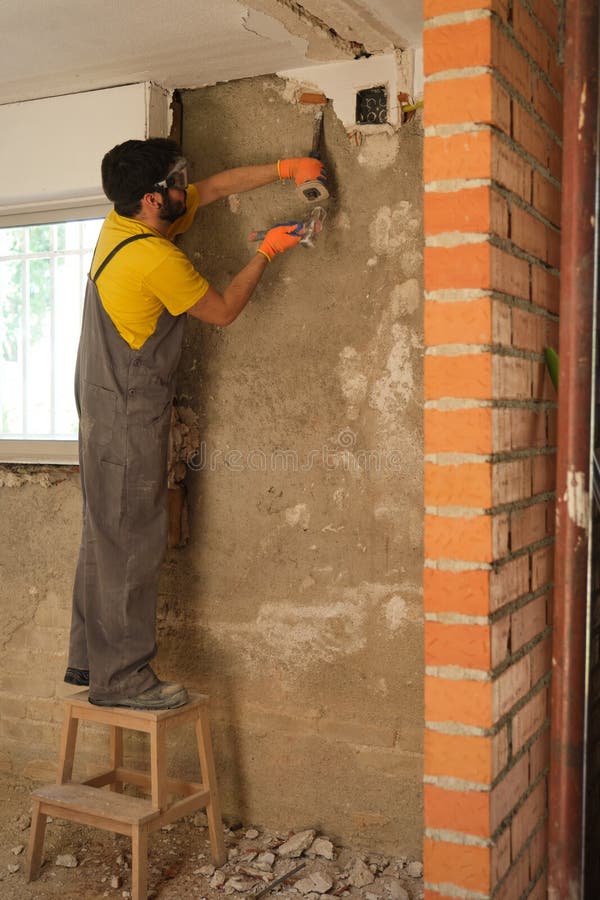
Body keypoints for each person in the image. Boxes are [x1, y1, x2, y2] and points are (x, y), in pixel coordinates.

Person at [64, 137, 325, 710]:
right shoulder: (156, 258)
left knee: (104, 533)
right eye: (177, 180)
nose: (189, 185)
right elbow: (225, 310)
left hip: (101, 406)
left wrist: (287, 169)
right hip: (127, 414)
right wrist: (269, 251)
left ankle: (91, 658)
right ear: (155, 199)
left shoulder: (124, 222)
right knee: (133, 539)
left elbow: (215, 188)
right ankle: (122, 679)